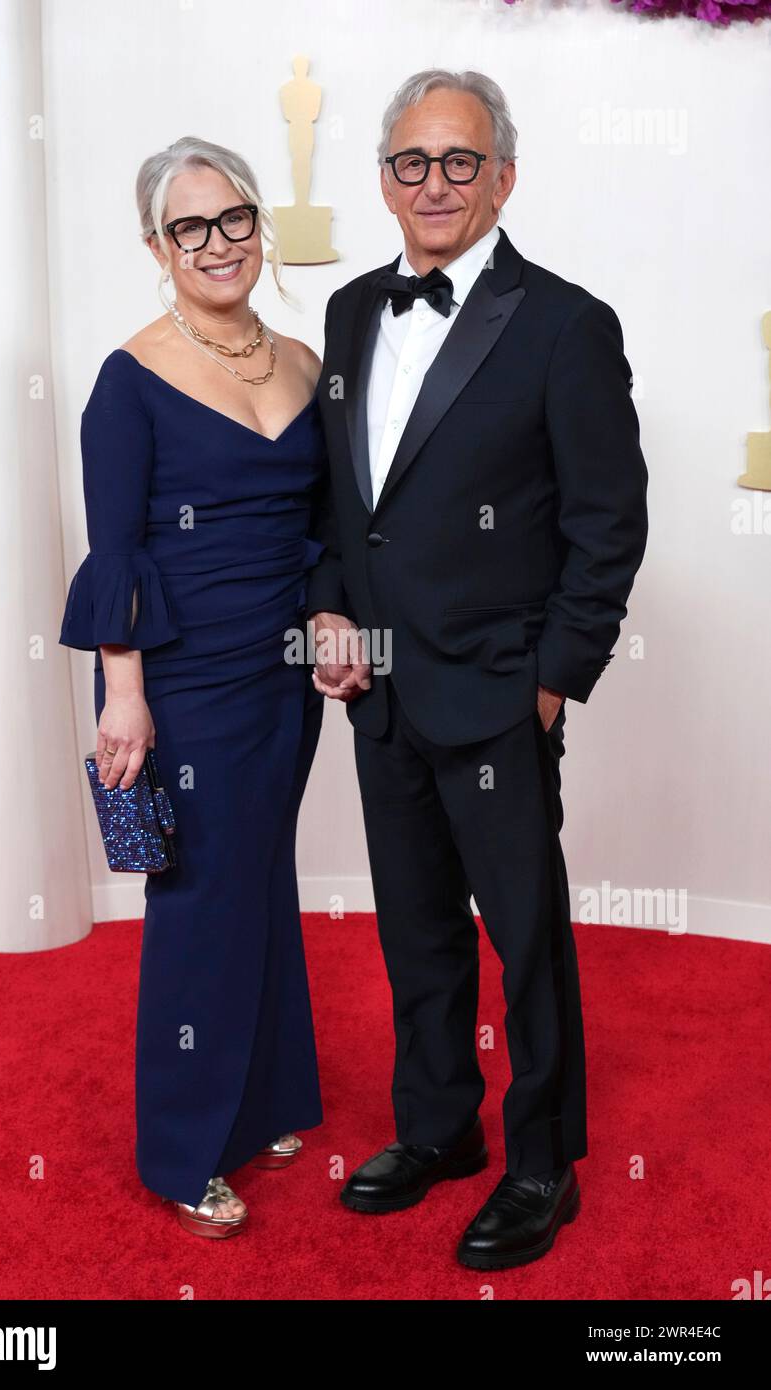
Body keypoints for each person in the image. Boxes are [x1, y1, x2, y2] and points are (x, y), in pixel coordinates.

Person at [307, 69, 649, 1269]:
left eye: (459, 160)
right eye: (411, 162)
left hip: (500, 689)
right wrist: (328, 612)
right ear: (384, 181)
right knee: (413, 932)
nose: (434, 183)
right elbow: (337, 503)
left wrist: (553, 676)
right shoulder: (350, 313)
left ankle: (541, 1161)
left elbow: (608, 520)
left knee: (525, 934)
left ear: (503, 174)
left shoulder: (565, 323)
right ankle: (439, 1128)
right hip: (381, 693)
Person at [59, 136, 327, 1238]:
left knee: (261, 877)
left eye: (233, 220)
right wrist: (124, 694)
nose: (217, 244)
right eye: (189, 226)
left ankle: (260, 1098)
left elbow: (320, 529)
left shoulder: (305, 361)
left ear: (259, 226)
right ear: (155, 245)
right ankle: (180, 1146)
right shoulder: (126, 380)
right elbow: (113, 547)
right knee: (197, 900)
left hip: (283, 675)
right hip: (179, 678)